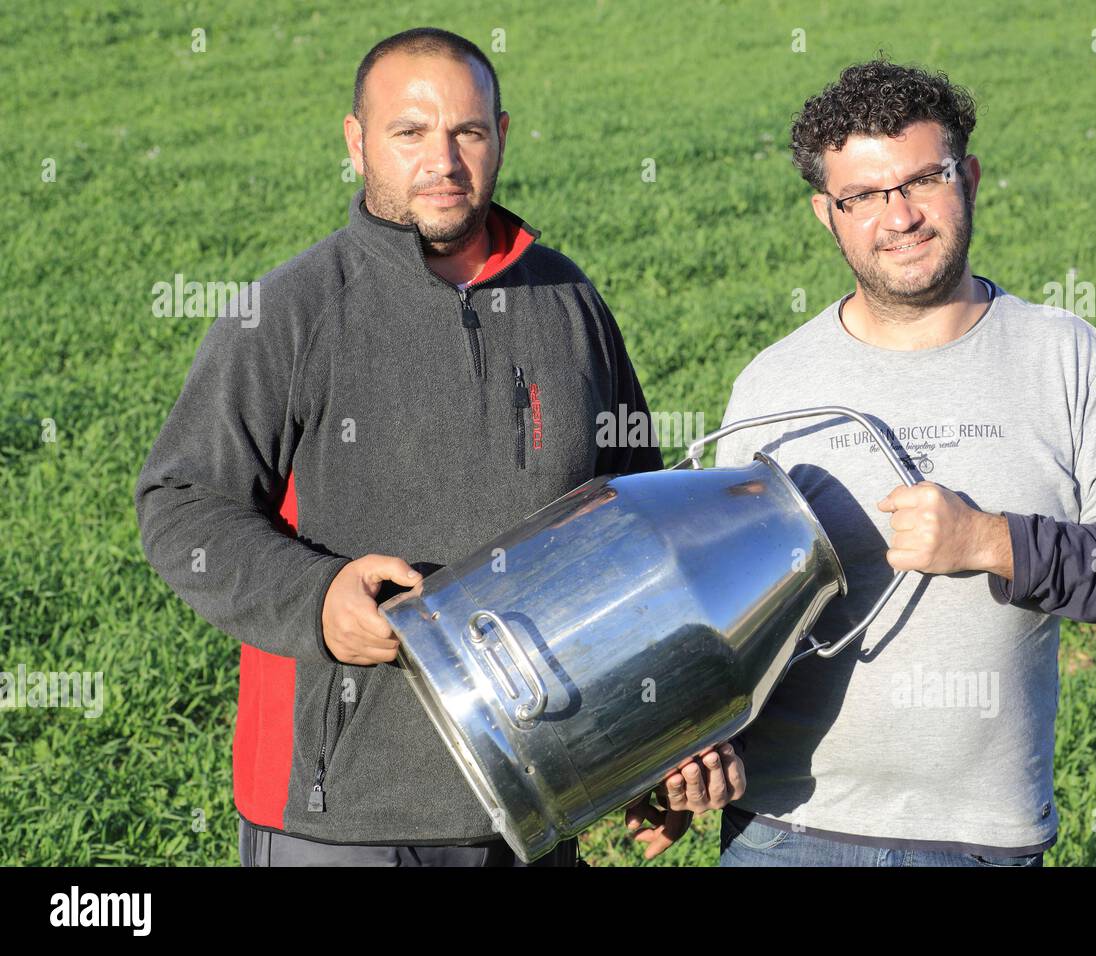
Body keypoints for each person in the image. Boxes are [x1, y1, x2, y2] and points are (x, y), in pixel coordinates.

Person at [135, 27, 742, 867]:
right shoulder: (288, 312)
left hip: (538, 805)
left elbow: (634, 536)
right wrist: (316, 599)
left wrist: (661, 730)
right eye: (409, 132)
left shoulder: (570, 301)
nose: (445, 160)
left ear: (501, 134)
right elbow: (180, 504)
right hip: (342, 817)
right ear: (356, 143)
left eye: (469, 131)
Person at [713, 58, 1096, 867]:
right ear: (825, 215)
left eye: (921, 181)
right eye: (862, 197)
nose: (896, 217)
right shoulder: (773, 383)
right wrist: (682, 759)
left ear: (967, 176)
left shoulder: (1064, 357)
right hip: (782, 827)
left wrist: (988, 543)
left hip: (977, 836)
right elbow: (718, 616)